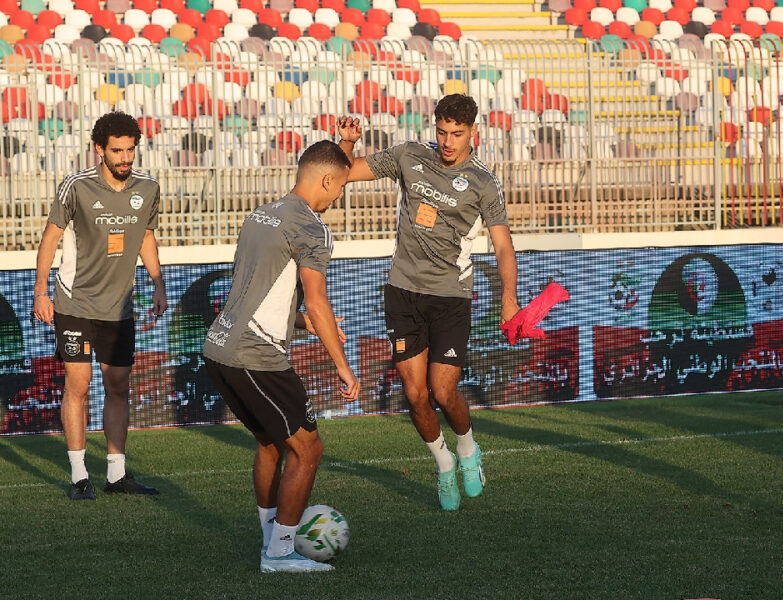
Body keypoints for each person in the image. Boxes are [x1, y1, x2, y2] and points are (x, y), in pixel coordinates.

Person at [337, 94, 521, 510]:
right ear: (433, 126)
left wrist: (509, 298)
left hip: (451, 295)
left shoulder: (483, 182)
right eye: (442, 131)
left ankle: (468, 450)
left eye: (457, 133)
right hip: (402, 291)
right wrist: (347, 143)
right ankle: (443, 466)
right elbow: (345, 173)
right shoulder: (410, 155)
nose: (448, 141)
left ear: (475, 132)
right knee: (416, 394)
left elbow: (504, 246)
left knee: (442, 390)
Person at [203, 140, 361, 573]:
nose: (338, 198)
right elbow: (318, 300)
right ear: (327, 179)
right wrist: (343, 367)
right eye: (341, 188)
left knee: (272, 444)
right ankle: (278, 553)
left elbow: (250, 290)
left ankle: (272, 533)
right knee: (308, 448)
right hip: (255, 355)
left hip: (219, 348)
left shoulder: (259, 215)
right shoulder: (312, 227)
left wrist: (299, 323)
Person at [33, 111, 167, 500]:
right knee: (78, 384)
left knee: (118, 385)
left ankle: (116, 475)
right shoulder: (75, 187)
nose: (125, 158)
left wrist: (158, 283)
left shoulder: (149, 187)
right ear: (99, 150)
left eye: (131, 150)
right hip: (74, 302)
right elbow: (49, 239)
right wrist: (40, 290)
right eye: (117, 151)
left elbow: (146, 237)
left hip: (119, 307)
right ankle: (79, 476)